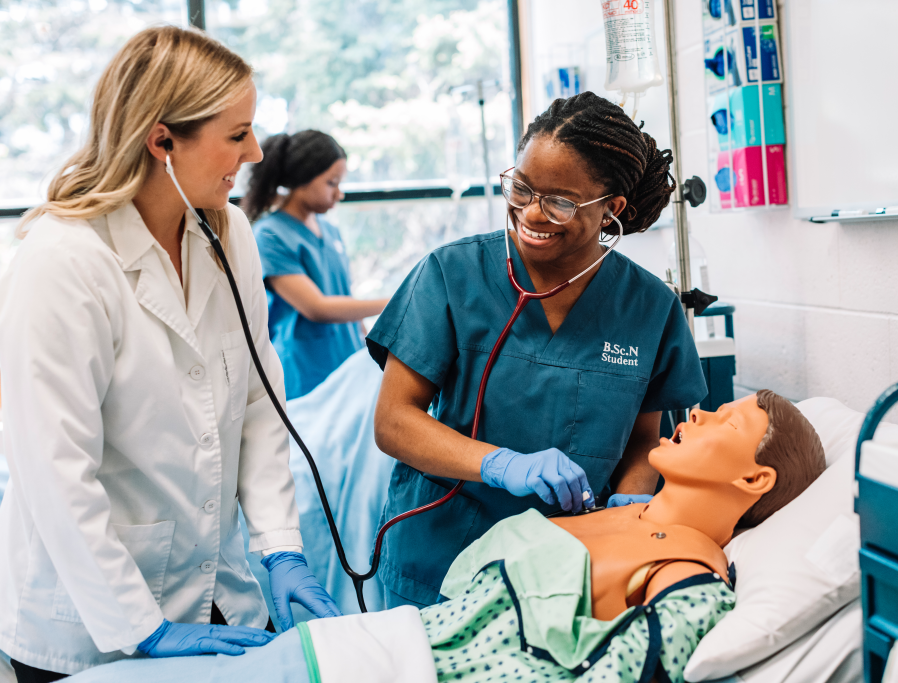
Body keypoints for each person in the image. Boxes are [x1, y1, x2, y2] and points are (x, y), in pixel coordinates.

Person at [65, 390, 828, 683]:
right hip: (369, 642)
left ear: (754, 478)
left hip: (391, 667)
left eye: (726, 419)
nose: (700, 411)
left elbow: (644, 663)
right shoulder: (625, 512)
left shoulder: (691, 565)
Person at [0, 27, 339, 681]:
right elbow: (54, 471)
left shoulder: (228, 232)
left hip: (216, 592)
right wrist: (142, 624)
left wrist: (280, 546)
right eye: (237, 134)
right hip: (89, 619)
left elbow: (257, 400)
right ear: (162, 142)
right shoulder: (63, 262)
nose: (256, 152)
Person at [367, 91, 707, 609]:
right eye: (521, 188)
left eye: (560, 201)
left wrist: (634, 500)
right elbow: (393, 421)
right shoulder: (452, 273)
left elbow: (645, 439)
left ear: (611, 209)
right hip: (440, 557)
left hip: (570, 564)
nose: (531, 212)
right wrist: (501, 464)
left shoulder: (649, 306)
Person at [242, 130, 389, 400]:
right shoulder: (270, 235)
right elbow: (316, 308)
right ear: (303, 178)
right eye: (331, 183)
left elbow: (344, 297)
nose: (339, 194)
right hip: (305, 371)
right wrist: (396, 303)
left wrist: (367, 348)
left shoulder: (330, 232)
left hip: (347, 362)